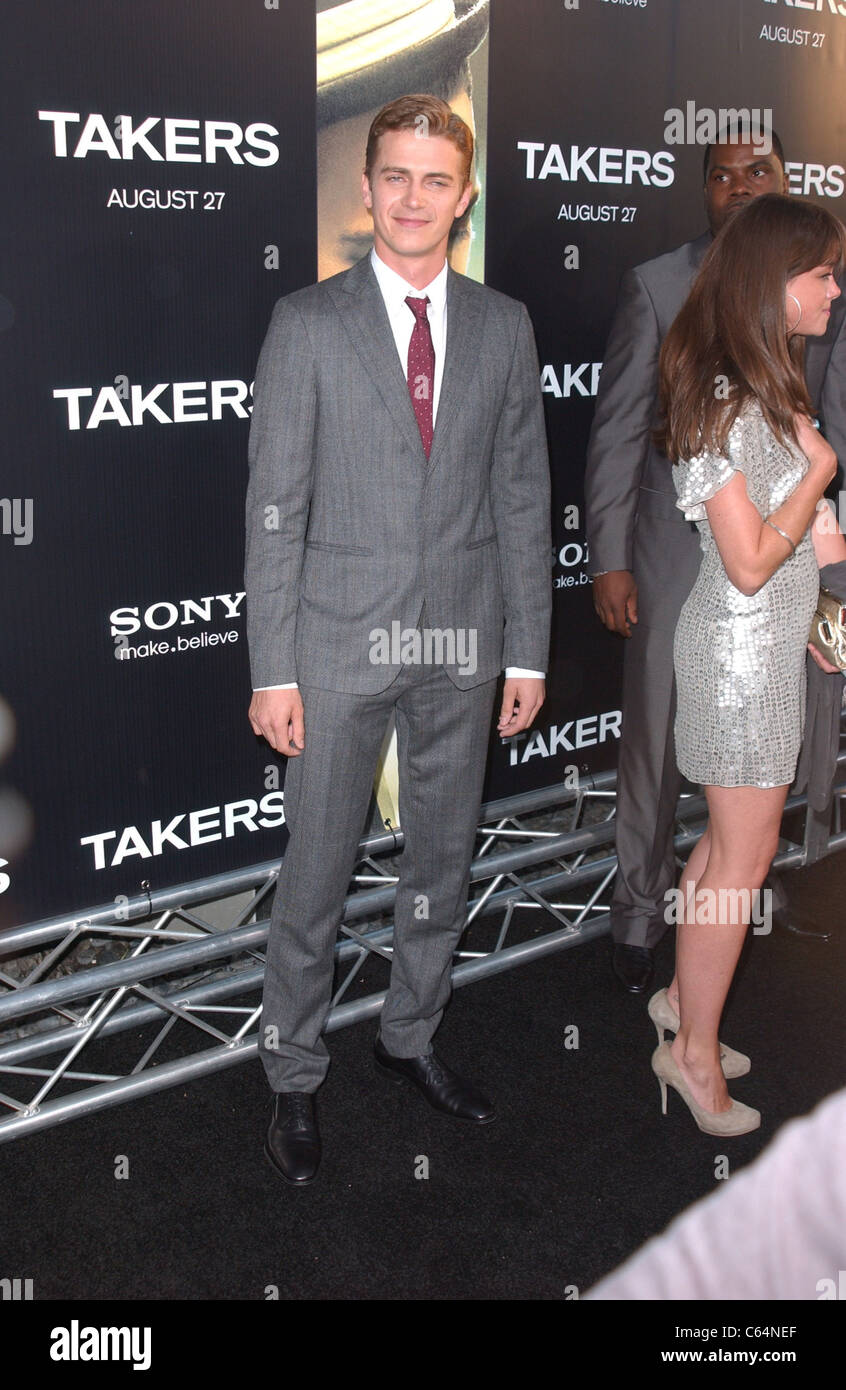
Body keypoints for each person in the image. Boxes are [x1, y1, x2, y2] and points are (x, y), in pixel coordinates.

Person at [245, 94, 551, 1184]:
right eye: (396, 176)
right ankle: (292, 1071)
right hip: (335, 649)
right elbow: (274, 509)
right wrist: (273, 667)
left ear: (464, 197)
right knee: (316, 872)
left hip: (463, 646)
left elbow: (522, 494)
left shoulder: (505, 325)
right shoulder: (307, 323)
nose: (414, 197)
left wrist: (527, 648)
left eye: (436, 179)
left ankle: (410, 1033)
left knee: (441, 859)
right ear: (366, 186)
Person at [584, 131, 846, 995]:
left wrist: (830, 586)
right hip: (681, 561)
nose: (738, 185)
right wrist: (609, 556)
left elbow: (828, 428)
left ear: (782, 180)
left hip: (783, 577)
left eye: (756, 171)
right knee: (658, 753)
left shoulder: (809, 296)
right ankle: (640, 919)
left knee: (747, 814)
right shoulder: (660, 287)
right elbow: (621, 428)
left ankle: (727, 922)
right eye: (721, 174)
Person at [651, 193, 845, 1135]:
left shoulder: (775, 385)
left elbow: (818, 537)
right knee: (743, 857)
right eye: (823, 273)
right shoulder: (721, 402)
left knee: (730, 848)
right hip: (736, 658)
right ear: (776, 282)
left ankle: (679, 1005)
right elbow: (752, 562)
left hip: (772, 645)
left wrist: (835, 621)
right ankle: (691, 1054)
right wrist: (820, 470)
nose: (835, 290)